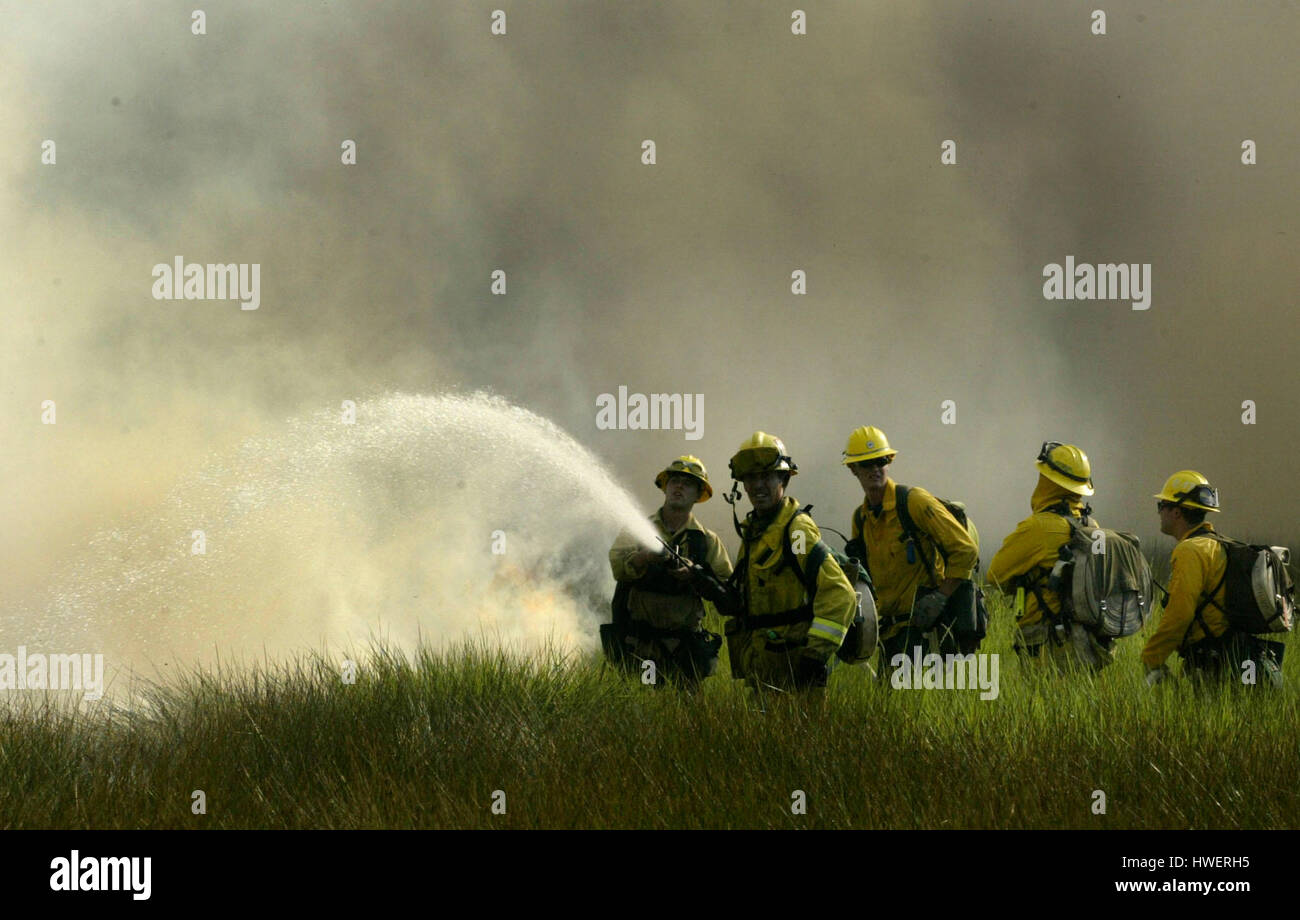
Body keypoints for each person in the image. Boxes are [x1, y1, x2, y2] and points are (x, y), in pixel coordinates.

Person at [842, 426, 980, 680]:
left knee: (908, 707)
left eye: (880, 461)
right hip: (889, 634)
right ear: (853, 469)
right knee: (890, 710)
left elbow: (965, 549)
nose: (875, 469)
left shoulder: (914, 502)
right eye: (866, 463)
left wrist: (941, 596)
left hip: (926, 632)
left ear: (889, 462)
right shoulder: (861, 519)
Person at [724, 432, 857, 693]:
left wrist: (814, 657)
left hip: (797, 674)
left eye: (766, 476)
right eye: (750, 477)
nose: (757, 485)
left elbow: (840, 594)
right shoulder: (754, 531)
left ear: (783, 479)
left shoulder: (795, 532)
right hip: (762, 670)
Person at [987, 441, 1117, 670]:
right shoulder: (1092, 526)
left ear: (1047, 482)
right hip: (1088, 643)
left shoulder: (1038, 527)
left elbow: (995, 576)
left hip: (1046, 646)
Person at [1141, 471, 1277, 688]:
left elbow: (1180, 614)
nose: (1159, 512)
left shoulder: (1190, 550)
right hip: (1238, 653)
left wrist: (1151, 657)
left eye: (1161, 505)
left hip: (1215, 665)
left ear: (1176, 512)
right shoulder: (1219, 544)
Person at [607, 456, 732, 688]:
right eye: (674, 480)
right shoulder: (637, 529)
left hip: (685, 649)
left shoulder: (706, 541)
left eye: (689, 483)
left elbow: (726, 590)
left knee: (685, 714)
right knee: (642, 706)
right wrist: (643, 558)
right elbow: (617, 566)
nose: (680, 486)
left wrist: (695, 575)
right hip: (642, 645)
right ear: (665, 487)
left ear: (699, 494)